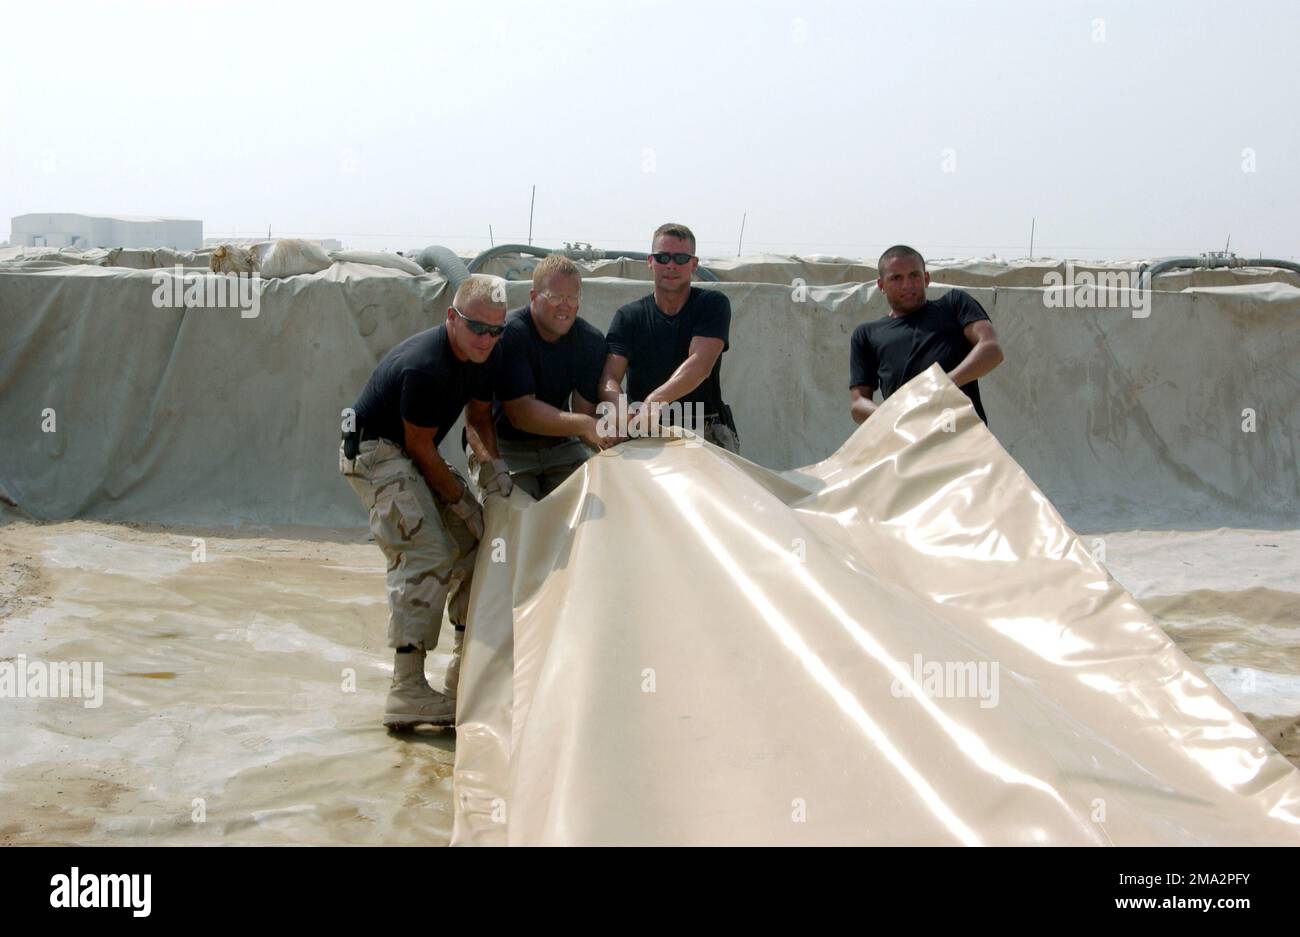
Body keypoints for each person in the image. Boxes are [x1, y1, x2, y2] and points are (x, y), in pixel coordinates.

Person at [339, 274, 512, 729]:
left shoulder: (484, 357)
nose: (487, 339)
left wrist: (492, 471)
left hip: (415, 452)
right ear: (452, 318)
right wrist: (459, 500)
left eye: (498, 331)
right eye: (478, 328)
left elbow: (477, 419)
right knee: (425, 549)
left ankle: (463, 671)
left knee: (479, 545)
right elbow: (418, 446)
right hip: (377, 452)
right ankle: (407, 689)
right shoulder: (426, 366)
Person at [471, 253, 613, 500]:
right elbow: (521, 414)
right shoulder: (511, 334)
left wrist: (612, 435)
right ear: (533, 297)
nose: (565, 305)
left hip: (560, 446)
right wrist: (585, 424)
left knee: (596, 502)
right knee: (516, 520)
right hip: (504, 445)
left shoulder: (590, 341)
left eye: (572, 297)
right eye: (555, 296)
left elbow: (583, 412)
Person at [597, 223, 739, 451]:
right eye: (663, 257)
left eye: (681, 258)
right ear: (650, 261)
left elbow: (700, 365)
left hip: (702, 433)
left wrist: (653, 403)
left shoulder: (712, 305)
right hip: (643, 432)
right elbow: (609, 376)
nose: (671, 265)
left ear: (693, 264)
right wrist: (621, 412)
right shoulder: (628, 316)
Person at [850, 245, 1004, 425]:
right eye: (896, 278)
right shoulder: (866, 334)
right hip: (908, 442)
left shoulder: (954, 305)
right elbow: (858, 404)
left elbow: (992, 350)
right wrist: (895, 416)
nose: (907, 285)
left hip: (963, 439)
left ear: (926, 278)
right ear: (881, 285)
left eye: (914, 275)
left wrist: (942, 386)